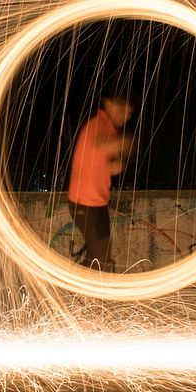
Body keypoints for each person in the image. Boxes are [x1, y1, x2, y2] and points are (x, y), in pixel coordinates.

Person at [67, 92, 134, 271]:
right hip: (85, 205)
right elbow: (100, 144)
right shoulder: (98, 124)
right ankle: (69, 286)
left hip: (98, 203)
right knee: (100, 259)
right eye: (122, 110)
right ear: (108, 104)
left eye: (129, 113)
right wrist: (124, 143)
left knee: (100, 256)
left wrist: (116, 165)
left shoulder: (110, 129)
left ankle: (75, 286)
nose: (126, 116)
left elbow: (105, 163)